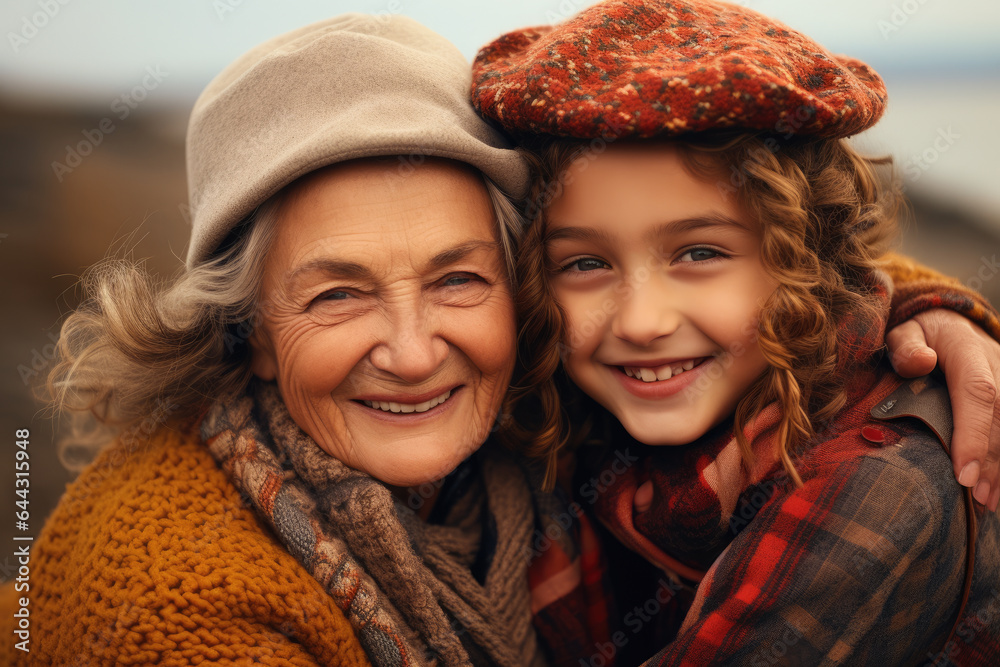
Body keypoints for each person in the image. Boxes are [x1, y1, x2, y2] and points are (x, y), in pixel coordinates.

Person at [0, 7, 997, 667]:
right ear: (245, 329)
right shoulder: (190, 611)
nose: (411, 348)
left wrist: (927, 315)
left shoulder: (548, 407)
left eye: (458, 278)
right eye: (338, 294)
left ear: (516, 290)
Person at [471, 0, 1000, 664]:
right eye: (585, 263)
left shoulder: (883, 486)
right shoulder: (578, 422)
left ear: (804, 256)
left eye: (698, 254)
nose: (641, 322)